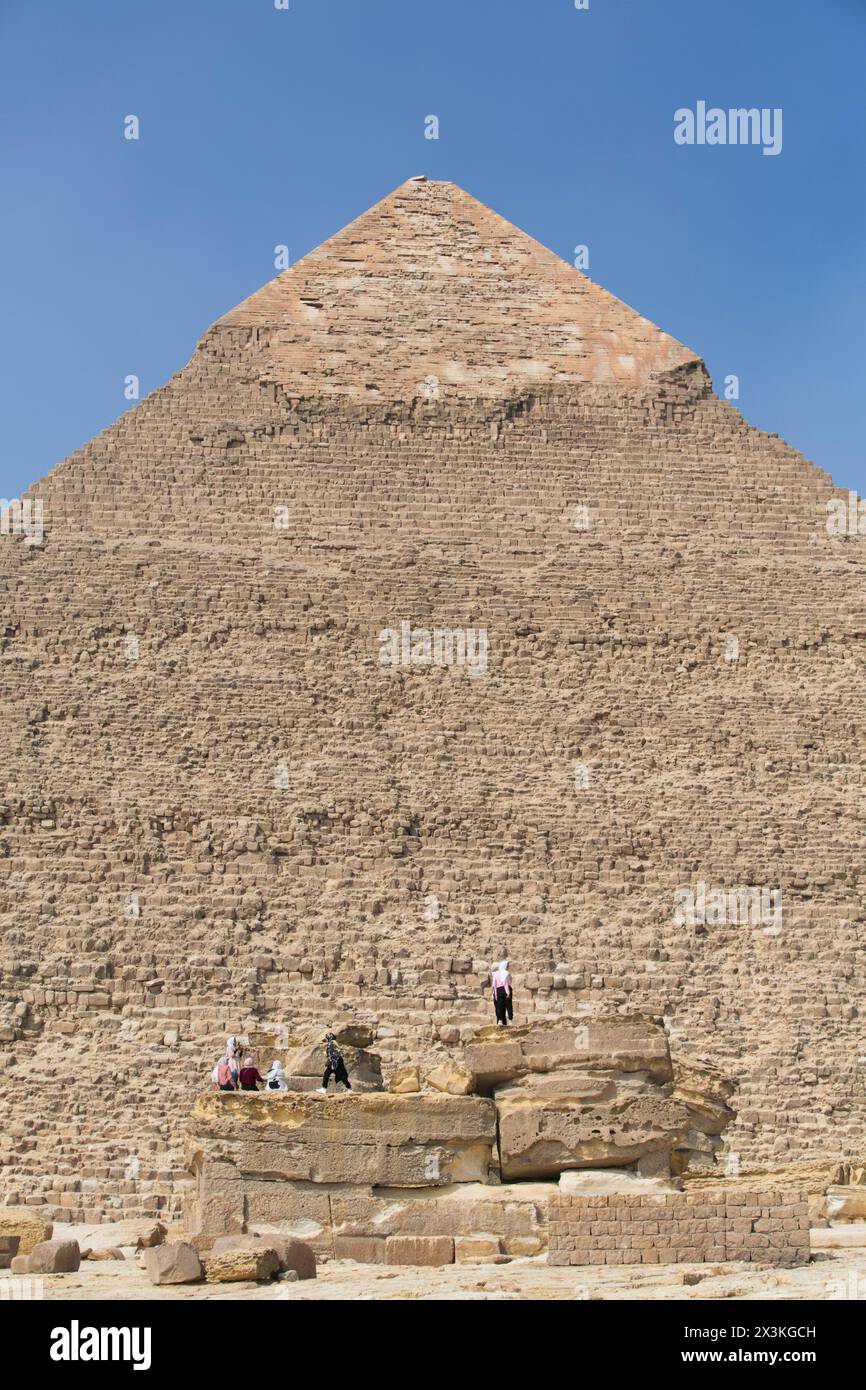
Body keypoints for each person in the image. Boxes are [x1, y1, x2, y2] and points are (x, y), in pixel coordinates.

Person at [492, 959, 513, 1026]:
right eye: (507, 966)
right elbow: (505, 983)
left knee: (500, 1006)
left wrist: (495, 994)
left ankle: (500, 1021)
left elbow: (494, 985)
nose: (508, 967)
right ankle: (510, 1020)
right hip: (505, 989)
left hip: (498, 990)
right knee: (509, 1005)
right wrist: (508, 992)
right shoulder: (506, 973)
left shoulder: (496, 974)